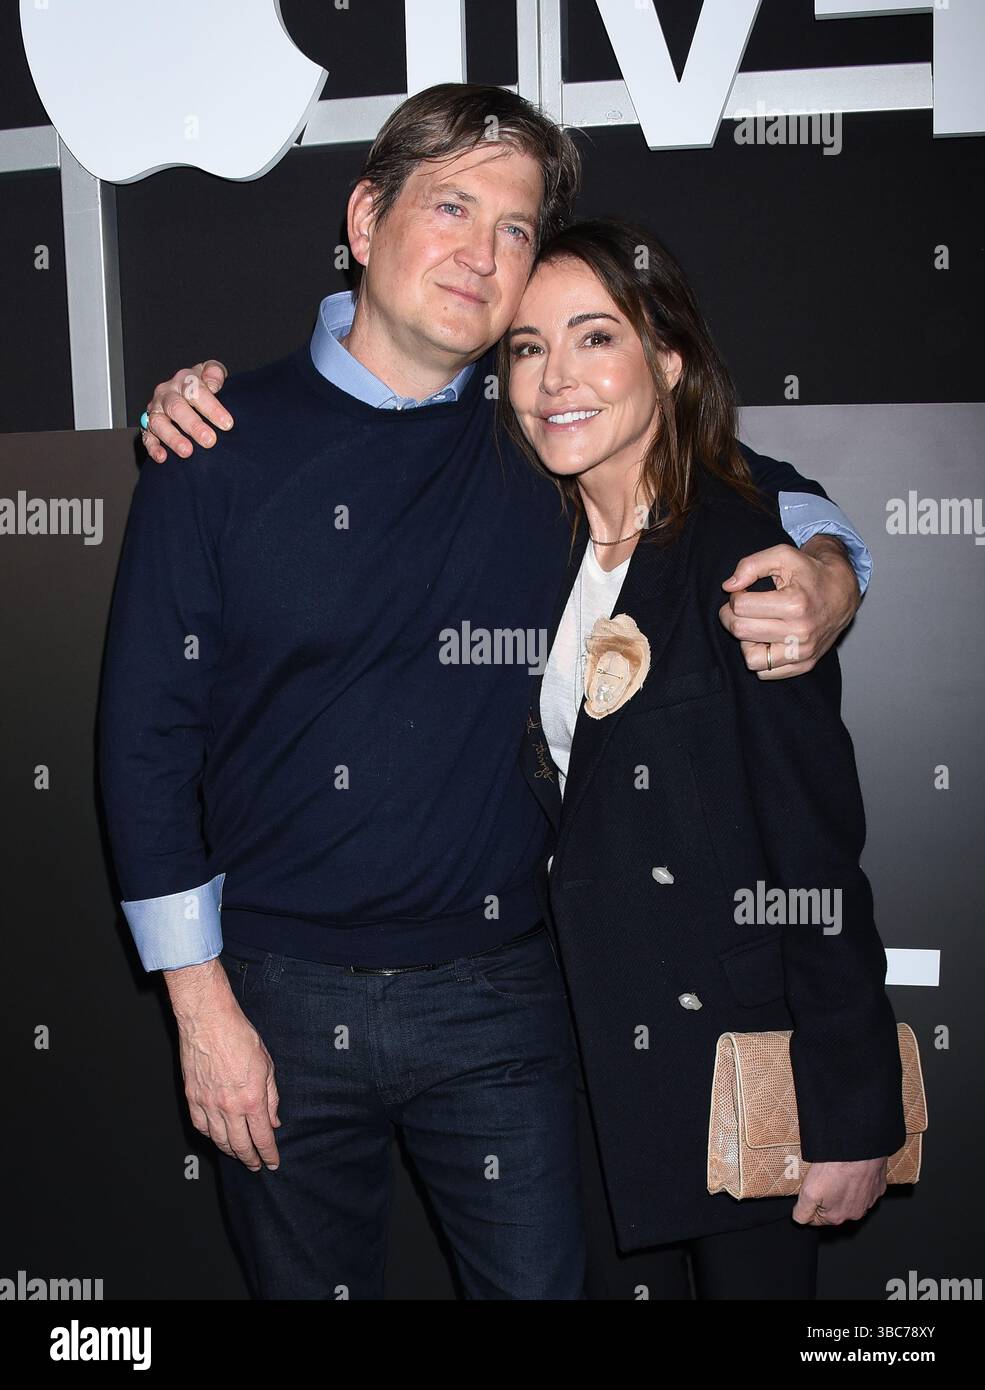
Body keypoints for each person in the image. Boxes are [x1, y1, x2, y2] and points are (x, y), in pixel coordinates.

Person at [104, 83, 870, 1301]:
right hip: (273, 1000)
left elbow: (716, 471)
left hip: (506, 999)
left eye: (516, 228)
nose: (484, 252)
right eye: (453, 206)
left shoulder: (528, 437)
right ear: (365, 218)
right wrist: (201, 1011)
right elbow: (143, 747)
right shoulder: (216, 444)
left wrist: (833, 562)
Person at [506, 219, 906, 1299]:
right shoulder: (521, 545)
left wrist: (850, 1108)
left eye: (594, 338)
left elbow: (814, 848)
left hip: (731, 1060)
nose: (555, 378)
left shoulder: (746, 553)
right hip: (575, 1058)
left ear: (668, 360)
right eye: (526, 347)